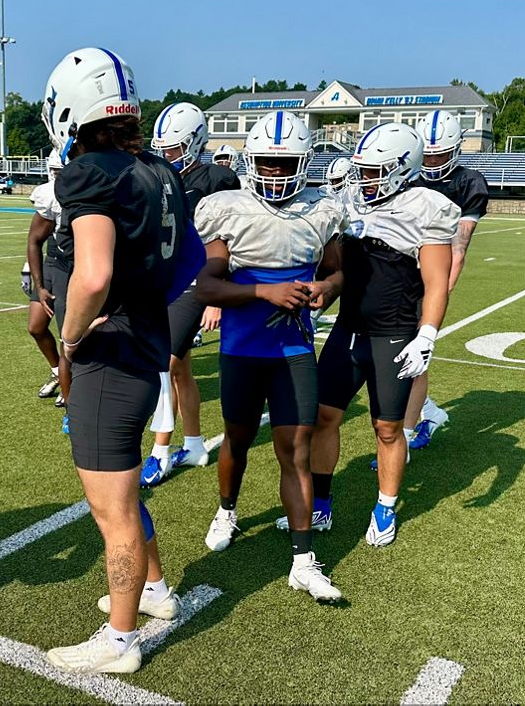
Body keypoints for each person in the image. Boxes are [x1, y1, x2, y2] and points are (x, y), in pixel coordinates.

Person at [41, 47, 192, 674]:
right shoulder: (158, 168)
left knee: (113, 510)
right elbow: (185, 265)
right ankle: (154, 591)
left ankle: (120, 639)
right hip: (146, 342)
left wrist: (70, 340)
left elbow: (93, 273)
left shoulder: (90, 173)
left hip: (109, 354)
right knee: (126, 492)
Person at [281, 123, 459, 546]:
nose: (366, 179)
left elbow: (436, 282)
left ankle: (385, 506)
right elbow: (338, 264)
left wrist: (427, 335)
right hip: (348, 329)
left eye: (376, 171)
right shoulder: (351, 200)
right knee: (323, 417)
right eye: (364, 170)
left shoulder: (427, 207)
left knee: (387, 428)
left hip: (393, 334)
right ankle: (320, 503)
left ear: (401, 168)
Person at [196, 110, 345, 602]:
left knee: (296, 452)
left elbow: (337, 273)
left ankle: (303, 562)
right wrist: (265, 291)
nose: (276, 173)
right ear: (250, 160)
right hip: (242, 349)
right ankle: (227, 510)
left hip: (295, 350)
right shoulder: (227, 210)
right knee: (236, 439)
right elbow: (208, 286)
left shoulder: (322, 211)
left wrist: (325, 286)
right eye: (267, 162)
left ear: (302, 164)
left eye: (285, 164)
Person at [140, 101, 238, 486]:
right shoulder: (163, 175)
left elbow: (229, 239)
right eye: (163, 148)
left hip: (199, 282)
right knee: (179, 367)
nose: (167, 155)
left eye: (175, 148)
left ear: (196, 142)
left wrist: (217, 296)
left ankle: (160, 451)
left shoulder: (217, 178)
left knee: (163, 361)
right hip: (169, 280)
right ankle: (194, 443)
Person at [398, 109, 490, 450]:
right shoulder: (410, 177)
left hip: (430, 280)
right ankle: (431, 413)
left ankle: (404, 436)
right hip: (401, 276)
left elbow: (459, 248)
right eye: (430, 153)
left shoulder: (468, 183)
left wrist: (436, 296)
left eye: (441, 153)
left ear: (456, 149)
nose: (434, 161)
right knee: (393, 358)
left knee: (414, 357)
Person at [26, 153, 67, 406]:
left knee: (69, 336)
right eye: (53, 170)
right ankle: (57, 371)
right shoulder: (48, 193)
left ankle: (69, 381)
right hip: (52, 262)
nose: (56, 175)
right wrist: (36, 282)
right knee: (36, 326)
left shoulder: (86, 190)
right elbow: (35, 238)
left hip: (72, 264)